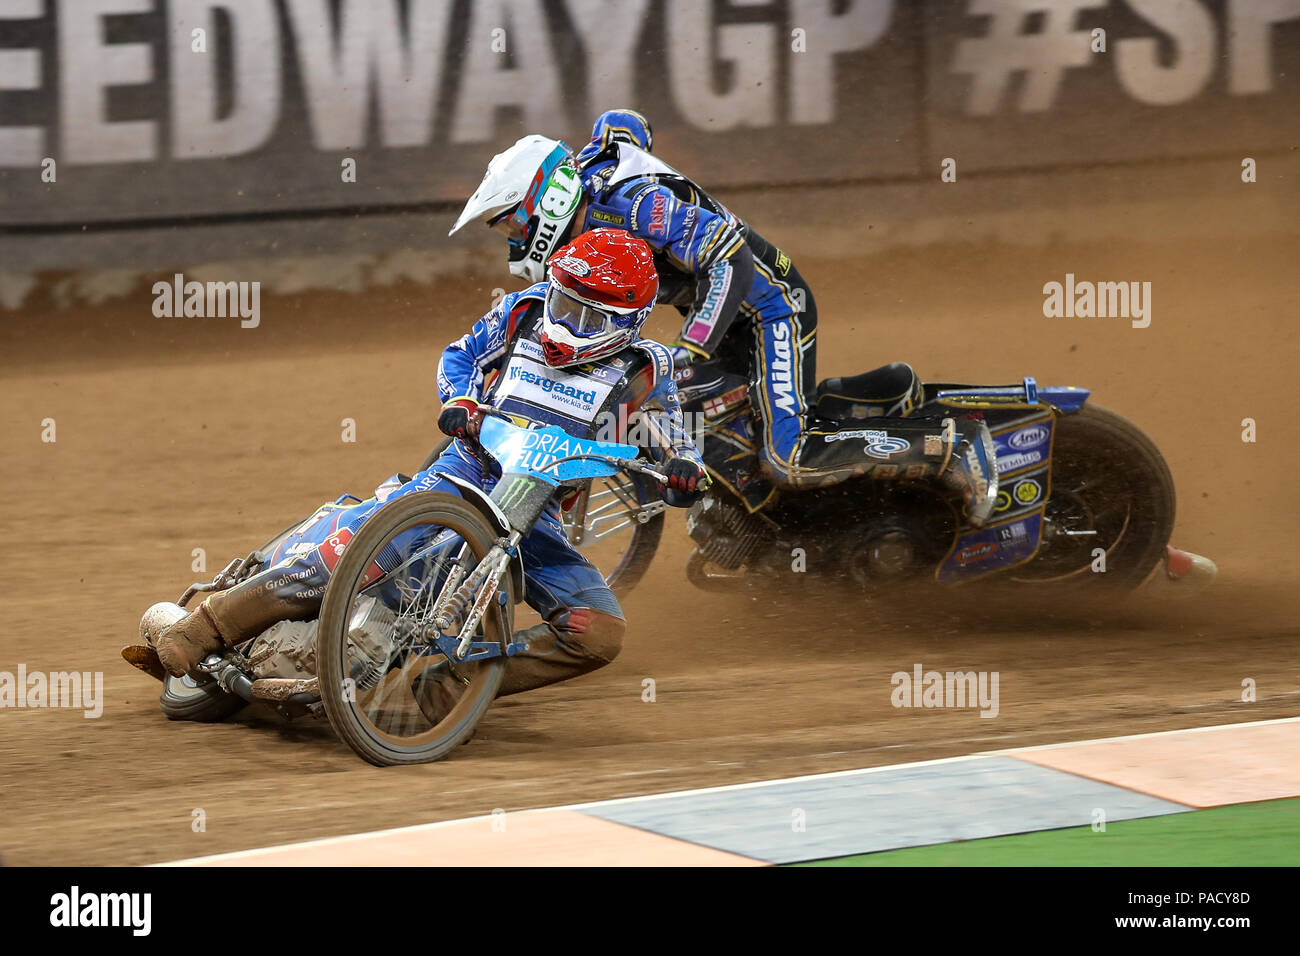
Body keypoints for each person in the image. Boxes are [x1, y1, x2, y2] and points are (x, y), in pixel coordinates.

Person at [152, 229, 708, 710]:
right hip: (461, 477)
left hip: (534, 522)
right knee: (351, 556)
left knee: (600, 634)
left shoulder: (646, 367)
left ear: (626, 322)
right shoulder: (523, 311)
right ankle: (206, 628)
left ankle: (454, 686)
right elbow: (460, 354)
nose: (565, 321)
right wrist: (460, 400)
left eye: (586, 315)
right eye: (565, 303)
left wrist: (683, 464)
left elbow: (669, 427)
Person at [448, 109, 995, 524]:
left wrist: (694, 347)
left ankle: (952, 443)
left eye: (512, 225)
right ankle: (767, 510)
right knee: (716, 420)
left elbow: (728, 257)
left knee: (789, 457)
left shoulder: (636, 206)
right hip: (721, 308)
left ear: (546, 198)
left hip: (770, 308)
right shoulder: (585, 191)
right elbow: (623, 126)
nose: (514, 241)